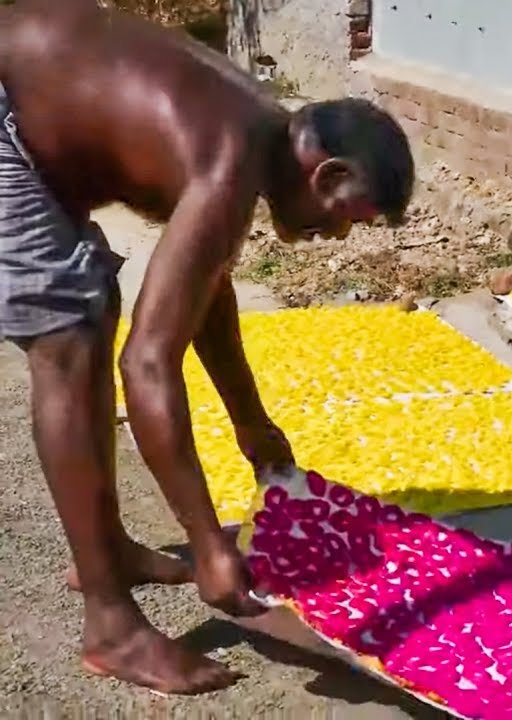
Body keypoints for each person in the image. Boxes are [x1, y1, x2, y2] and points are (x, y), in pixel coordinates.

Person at [0, 0, 413, 695]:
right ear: (327, 176)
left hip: (31, 92)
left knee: (91, 310)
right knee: (67, 341)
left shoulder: (257, 133)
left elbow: (202, 289)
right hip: (9, 104)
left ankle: (109, 549)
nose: (337, 236)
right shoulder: (229, 160)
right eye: (346, 217)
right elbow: (148, 363)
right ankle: (111, 626)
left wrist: (250, 421)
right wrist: (206, 539)